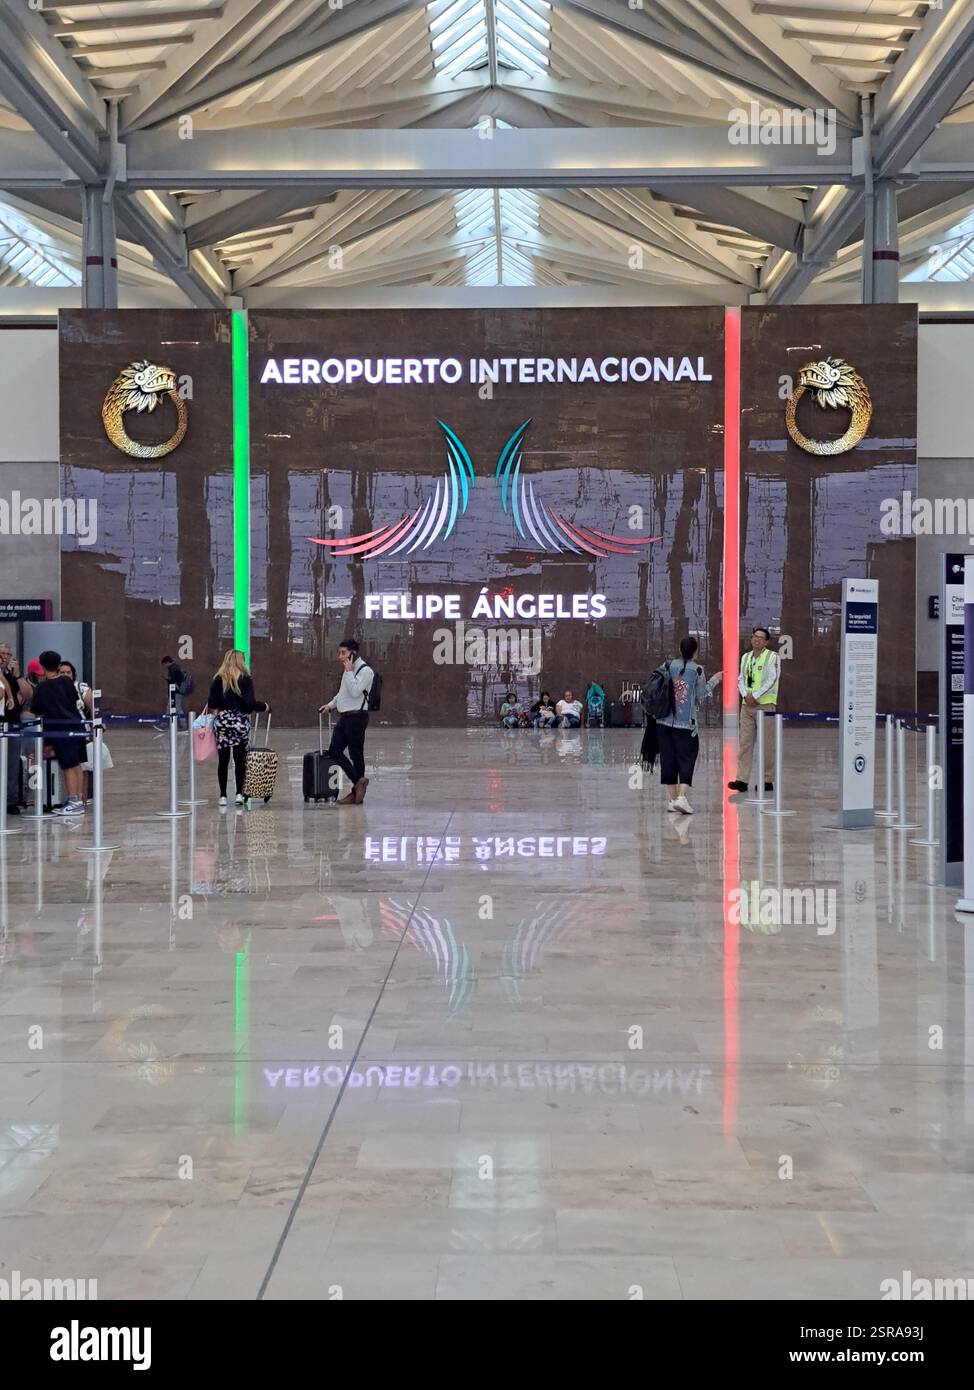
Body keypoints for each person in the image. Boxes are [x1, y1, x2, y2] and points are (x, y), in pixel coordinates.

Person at [654, 637, 721, 815]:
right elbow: (700, 694)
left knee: (668, 760)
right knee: (687, 758)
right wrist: (714, 680)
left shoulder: (667, 665)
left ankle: (672, 799)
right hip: (686, 725)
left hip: (663, 722)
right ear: (696, 651)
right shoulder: (698, 670)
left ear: (679, 648)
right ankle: (682, 798)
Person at [25, 649, 89, 817]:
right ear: (59, 665)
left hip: (60, 730)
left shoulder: (42, 688)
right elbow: (74, 701)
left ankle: (73, 800)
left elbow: (37, 710)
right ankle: (78, 800)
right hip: (77, 726)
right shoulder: (67, 682)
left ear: (42, 666)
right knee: (77, 765)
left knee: (68, 766)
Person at [207, 649, 268, 808]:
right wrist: (264, 706)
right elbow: (249, 704)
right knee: (240, 759)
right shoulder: (245, 679)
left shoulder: (218, 679)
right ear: (240, 661)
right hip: (239, 723)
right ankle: (239, 794)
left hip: (223, 723)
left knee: (223, 760)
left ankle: (222, 796)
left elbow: (212, 703)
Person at [319, 638, 374, 806]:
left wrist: (349, 672)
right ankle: (359, 782)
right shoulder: (348, 670)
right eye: (339, 653)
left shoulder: (366, 671)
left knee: (356, 754)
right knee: (334, 751)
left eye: (343, 653)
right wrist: (330, 705)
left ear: (353, 653)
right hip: (345, 717)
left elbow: (356, 691)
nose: (340, 656)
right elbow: (343, 693)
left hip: (357, 717)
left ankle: (355, 792)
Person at [728, 626, 780, 794]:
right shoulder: (745, 658)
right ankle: (742, 780)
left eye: (760, 637)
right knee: (745, 744)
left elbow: (772, 679)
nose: (757, 639)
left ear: (766, 642)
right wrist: (745, 695)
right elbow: (741, 678)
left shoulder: (772, 657)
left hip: (764, 704)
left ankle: (767, 780)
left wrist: (755, 695)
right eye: (754, 636)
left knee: (767, 744)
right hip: (747, 706)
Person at [0, 643, 30, 815]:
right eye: (2, 653)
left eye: (8, 654)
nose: (5, 657)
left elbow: (27, 694)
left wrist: (18, 675)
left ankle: (10, 800)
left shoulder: (11, 676)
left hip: (11, 723)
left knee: (11, 764)